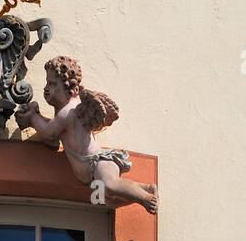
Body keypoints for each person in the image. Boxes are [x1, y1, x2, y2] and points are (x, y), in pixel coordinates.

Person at [15, 56, 158, 213]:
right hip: (92, 171)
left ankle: (144, 198)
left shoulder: (67, 112)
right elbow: (54, 132)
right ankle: (146, 189)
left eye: (53, 84)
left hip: (98, 163)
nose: (47, 88)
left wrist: (33, 118)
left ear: (69, 88)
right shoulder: (67, 113)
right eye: (47, 83)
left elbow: (49, 134)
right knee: (108, 200)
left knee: (111, 185)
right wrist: (38, 117)